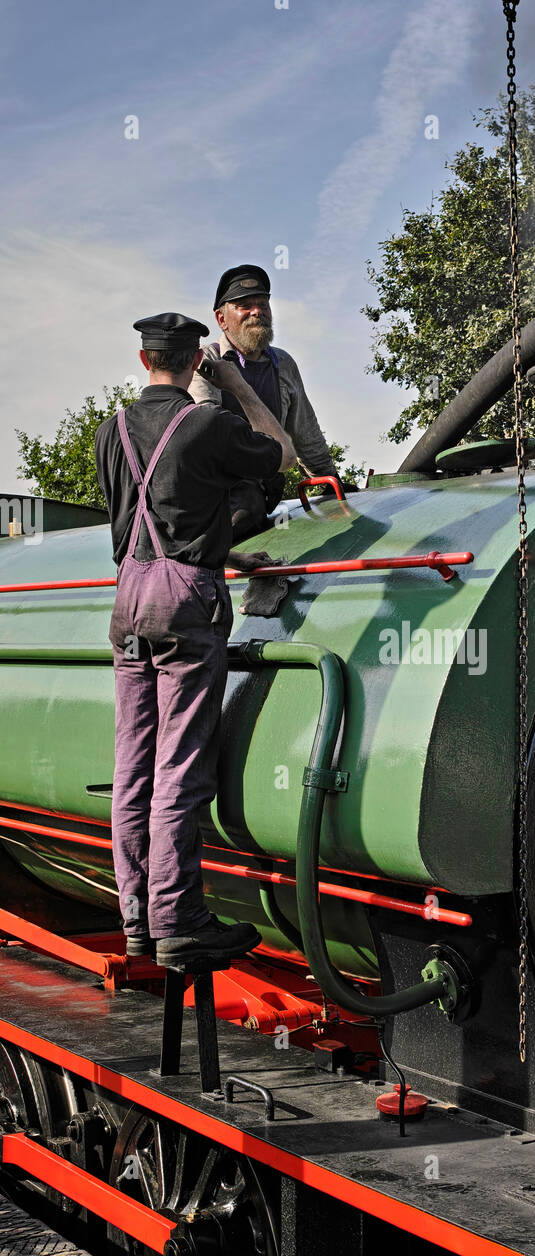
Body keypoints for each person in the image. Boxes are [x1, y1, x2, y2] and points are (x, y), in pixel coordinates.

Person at [94, 312, 295, 968]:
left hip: (127, 596)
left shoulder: (110, 431)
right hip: (186, 599)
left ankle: (136, 922)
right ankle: (178, 917)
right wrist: (232, 382)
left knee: (133, 768)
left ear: (143, 355)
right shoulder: (207, 423)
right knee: (178, 767)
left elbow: (141, 524)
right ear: (191, 360)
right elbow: (279, 455)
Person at [188, 264, 337, 539]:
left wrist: (330, 480)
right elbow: (207, 431)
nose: (257, 311)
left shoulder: (283, 364)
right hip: (219, 492)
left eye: (262, 304)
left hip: (263, 494)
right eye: (245, 305)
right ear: (221, 319)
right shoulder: (205, 362)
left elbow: (305, 432)